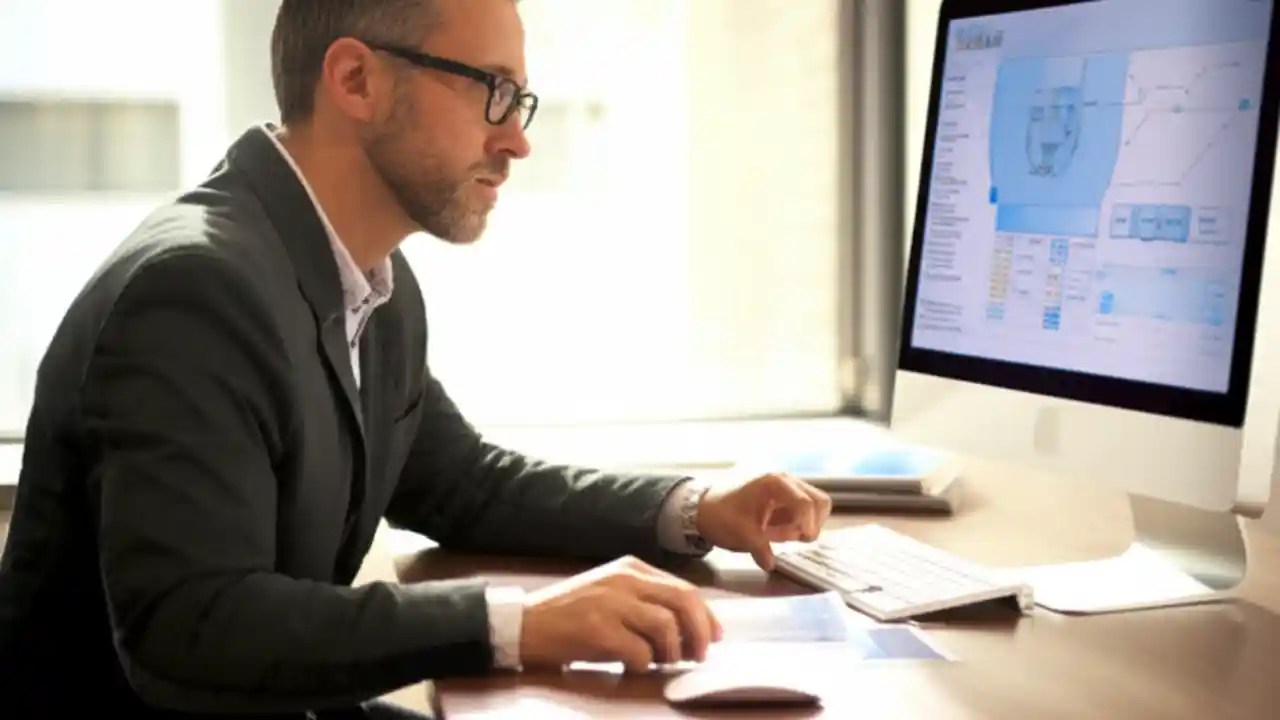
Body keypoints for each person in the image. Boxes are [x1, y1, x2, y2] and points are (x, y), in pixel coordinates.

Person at [0, 0, 833, 717]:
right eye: (492, 92)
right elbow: (190, 627)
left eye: (520, 101)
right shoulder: (196, 290)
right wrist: (516, 624)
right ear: (356, 80)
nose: (516, 141)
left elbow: (462, 483)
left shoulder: (367, 281)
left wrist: (694, 508)